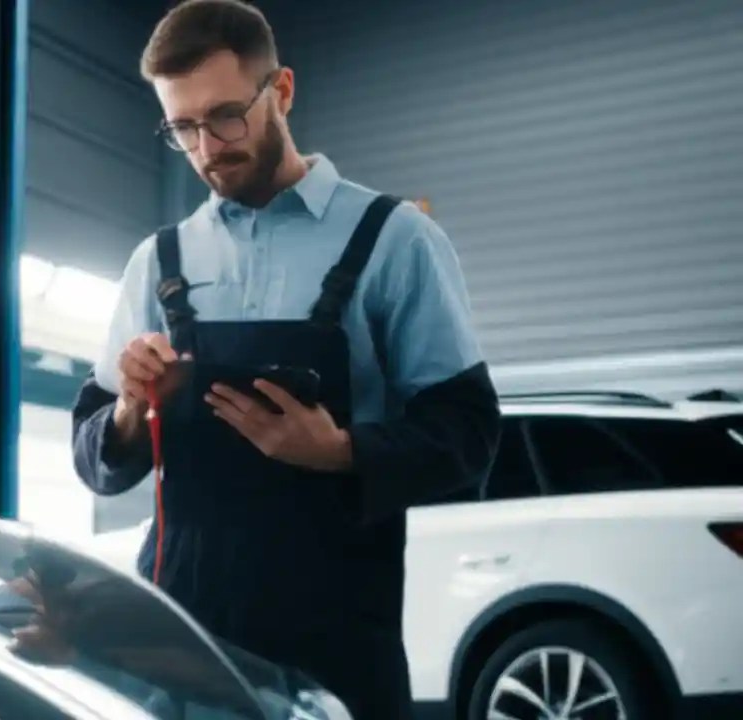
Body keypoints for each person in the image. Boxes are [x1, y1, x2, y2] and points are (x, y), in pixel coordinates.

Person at [69, 1, 502, 717]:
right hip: (181, 639)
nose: (207, 148)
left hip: (335, 641)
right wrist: (127, 408)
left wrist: (337, 451)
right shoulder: (159, 261)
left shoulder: (395, 242)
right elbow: (94, 460)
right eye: (182, 128)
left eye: (226, 116)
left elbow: (470, 436)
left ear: (284, 91)